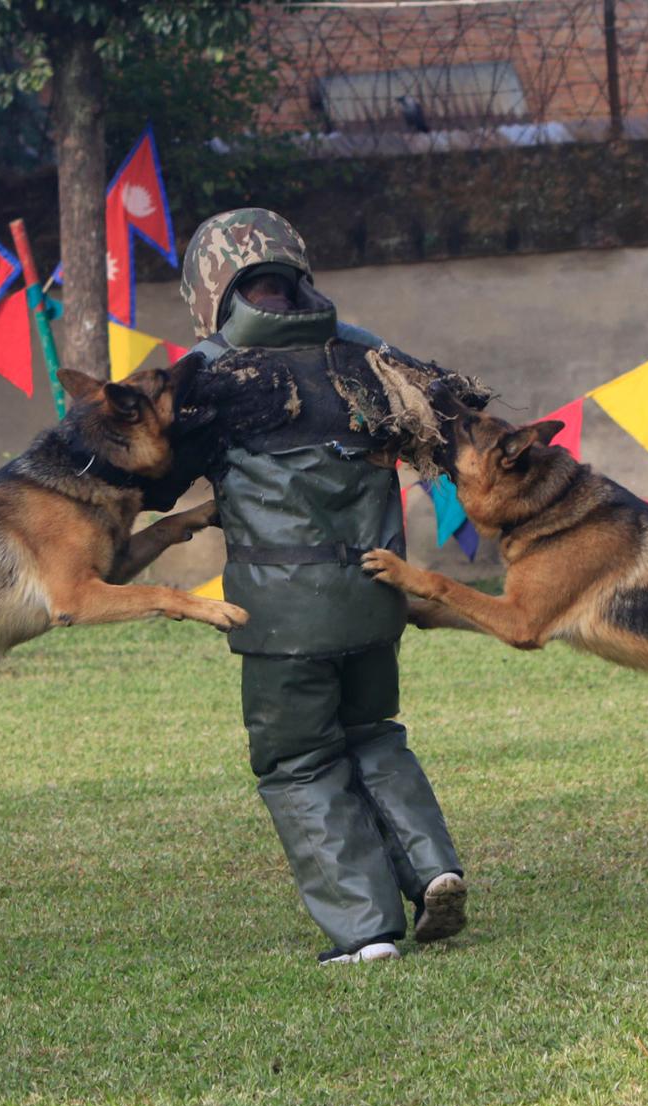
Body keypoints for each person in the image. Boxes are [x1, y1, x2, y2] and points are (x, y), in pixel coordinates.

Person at [179, 208, 467, 964]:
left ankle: (365, 931)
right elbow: (454, 411)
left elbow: (147, 469)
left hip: (279, 620)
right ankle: (433, 867)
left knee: (299, 761)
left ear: (211, 285)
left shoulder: (205, 373)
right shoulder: (367, 355)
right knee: (374, 735)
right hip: (376, 598)